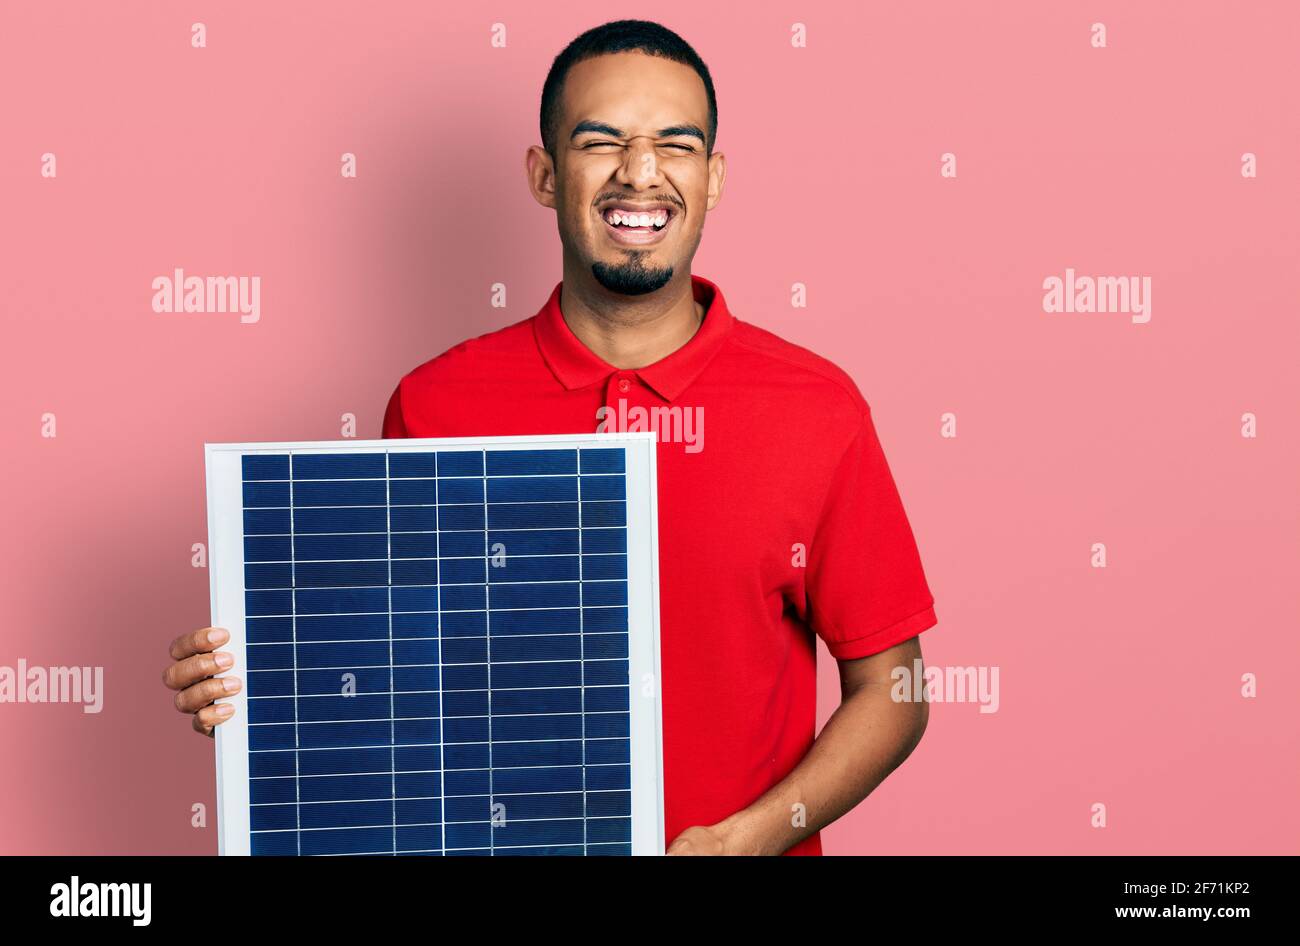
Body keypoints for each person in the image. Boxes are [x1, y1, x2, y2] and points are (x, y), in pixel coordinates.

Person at [163, 18, 938, 856]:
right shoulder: (434, 405)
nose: (640, 174)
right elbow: (399, 680)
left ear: (713, 178)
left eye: (675, 146)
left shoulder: (817, 408)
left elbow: (892, 690)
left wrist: (752, 838)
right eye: (600, 142)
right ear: (543, 174)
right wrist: (263, 704)